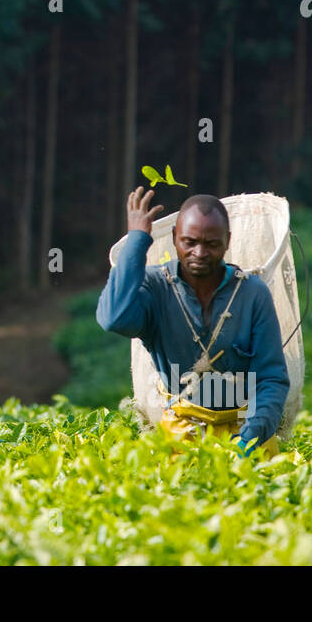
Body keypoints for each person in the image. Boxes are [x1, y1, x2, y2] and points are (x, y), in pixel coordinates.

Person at [97, 187, 289, 455]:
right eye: (190, 242)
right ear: (175, 239)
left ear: (227, 241)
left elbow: (272, 378)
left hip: (246, 430)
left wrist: (249, 437)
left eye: (211, 244)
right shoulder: (156, 288)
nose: (199, 253)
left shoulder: (252, 293)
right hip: (182, 432)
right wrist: (137, 238)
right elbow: (114, 318)